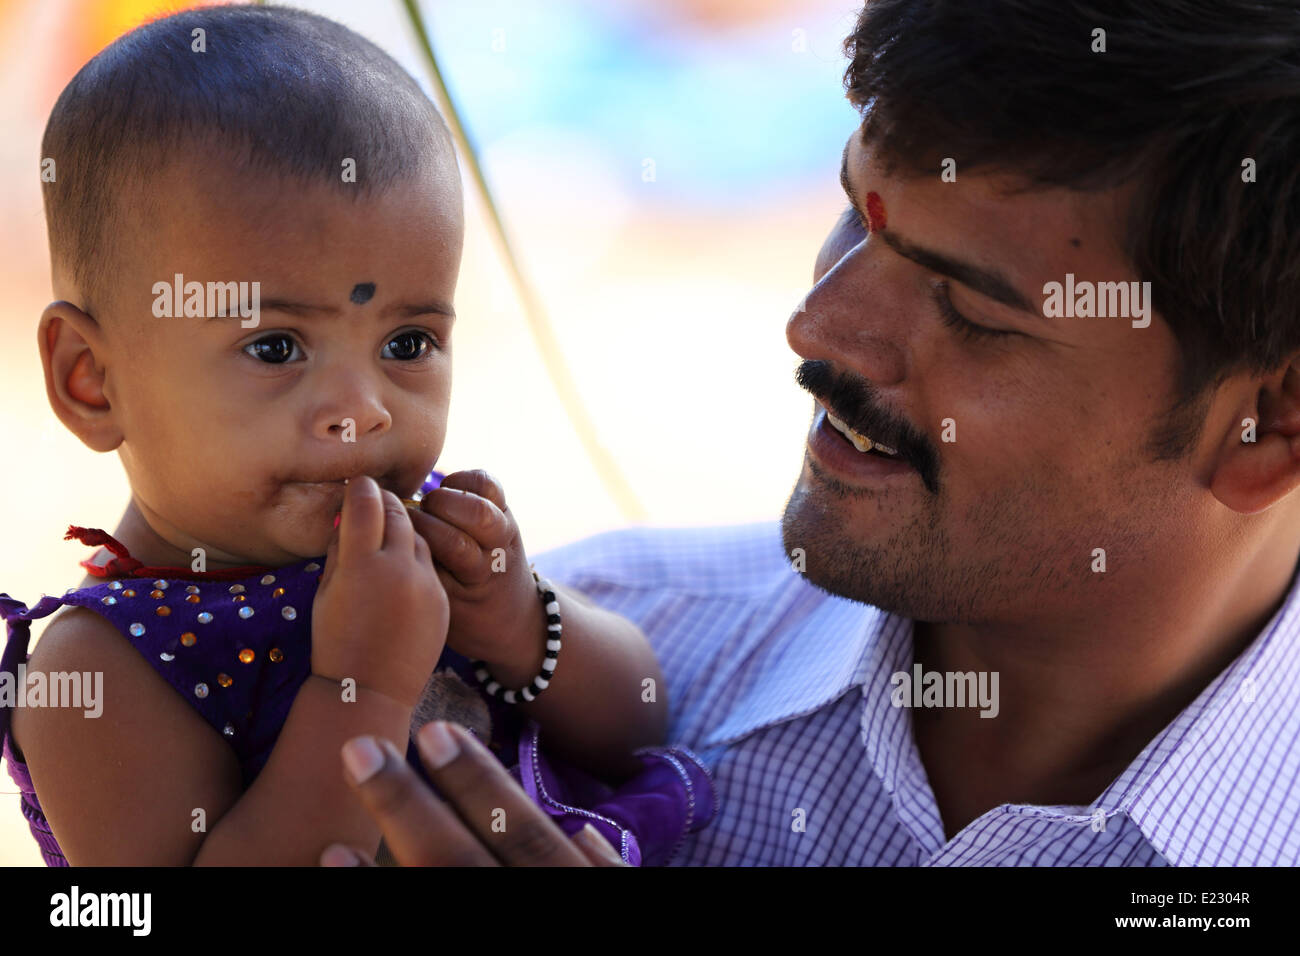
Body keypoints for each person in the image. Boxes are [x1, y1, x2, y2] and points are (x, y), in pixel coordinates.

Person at [327, 0, 1300, 866]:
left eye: (968, 306)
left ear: (1268, 422)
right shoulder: (509, 664)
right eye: (853, 215)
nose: (817, 327)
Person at [0, 4, 715, 867]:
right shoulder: (105, 671)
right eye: (274, 347)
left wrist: (522, 622)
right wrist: (360, 688)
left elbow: (637, 723)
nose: (363, 409)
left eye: (407, 344)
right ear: (92, 379)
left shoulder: (416, 547)